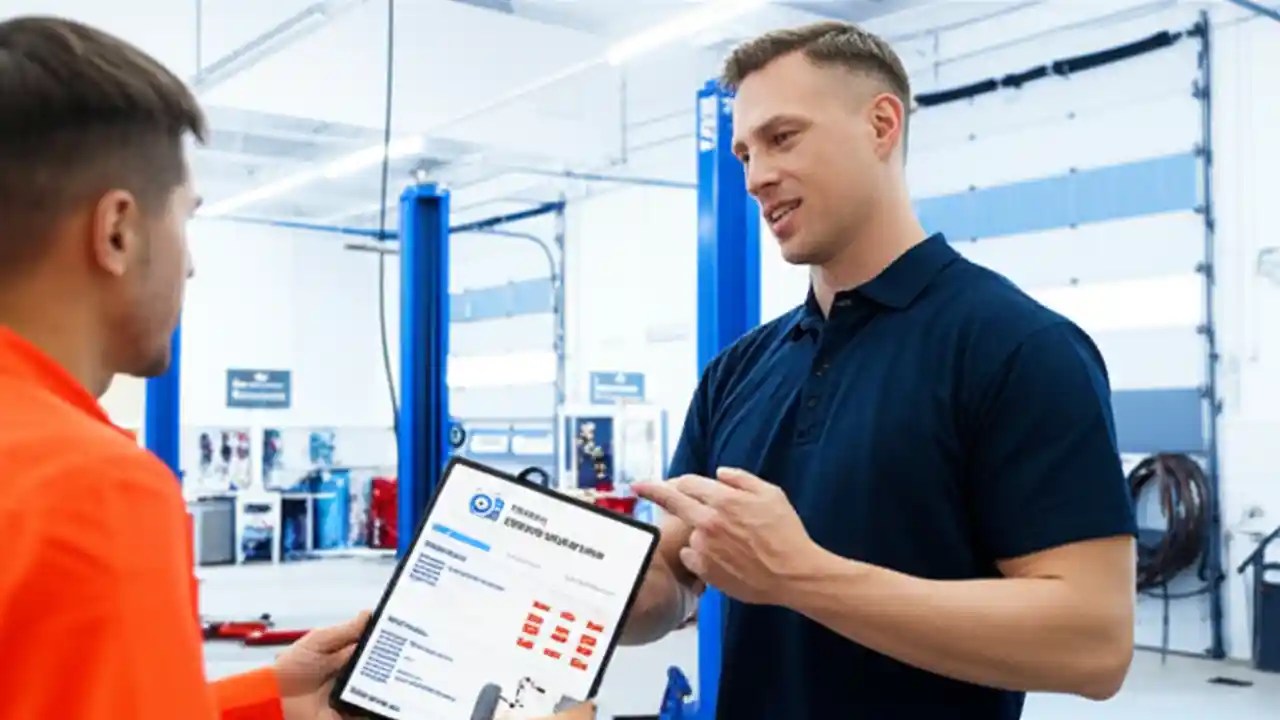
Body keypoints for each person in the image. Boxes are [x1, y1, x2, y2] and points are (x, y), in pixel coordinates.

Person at [0, 16, 595, 720]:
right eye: (184, 220)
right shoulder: (92, 492)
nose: (190, 264)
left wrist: (271, 700)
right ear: (118, 231)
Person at [624, 20, 1139, 720]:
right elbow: (673, 580)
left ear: (881, 125)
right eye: (744, 153)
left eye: (783, 138)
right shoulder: (737, 372)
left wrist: (803, 576)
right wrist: (561, 578)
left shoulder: (1018, 347)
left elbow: (1092, 643)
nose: (754, 178)